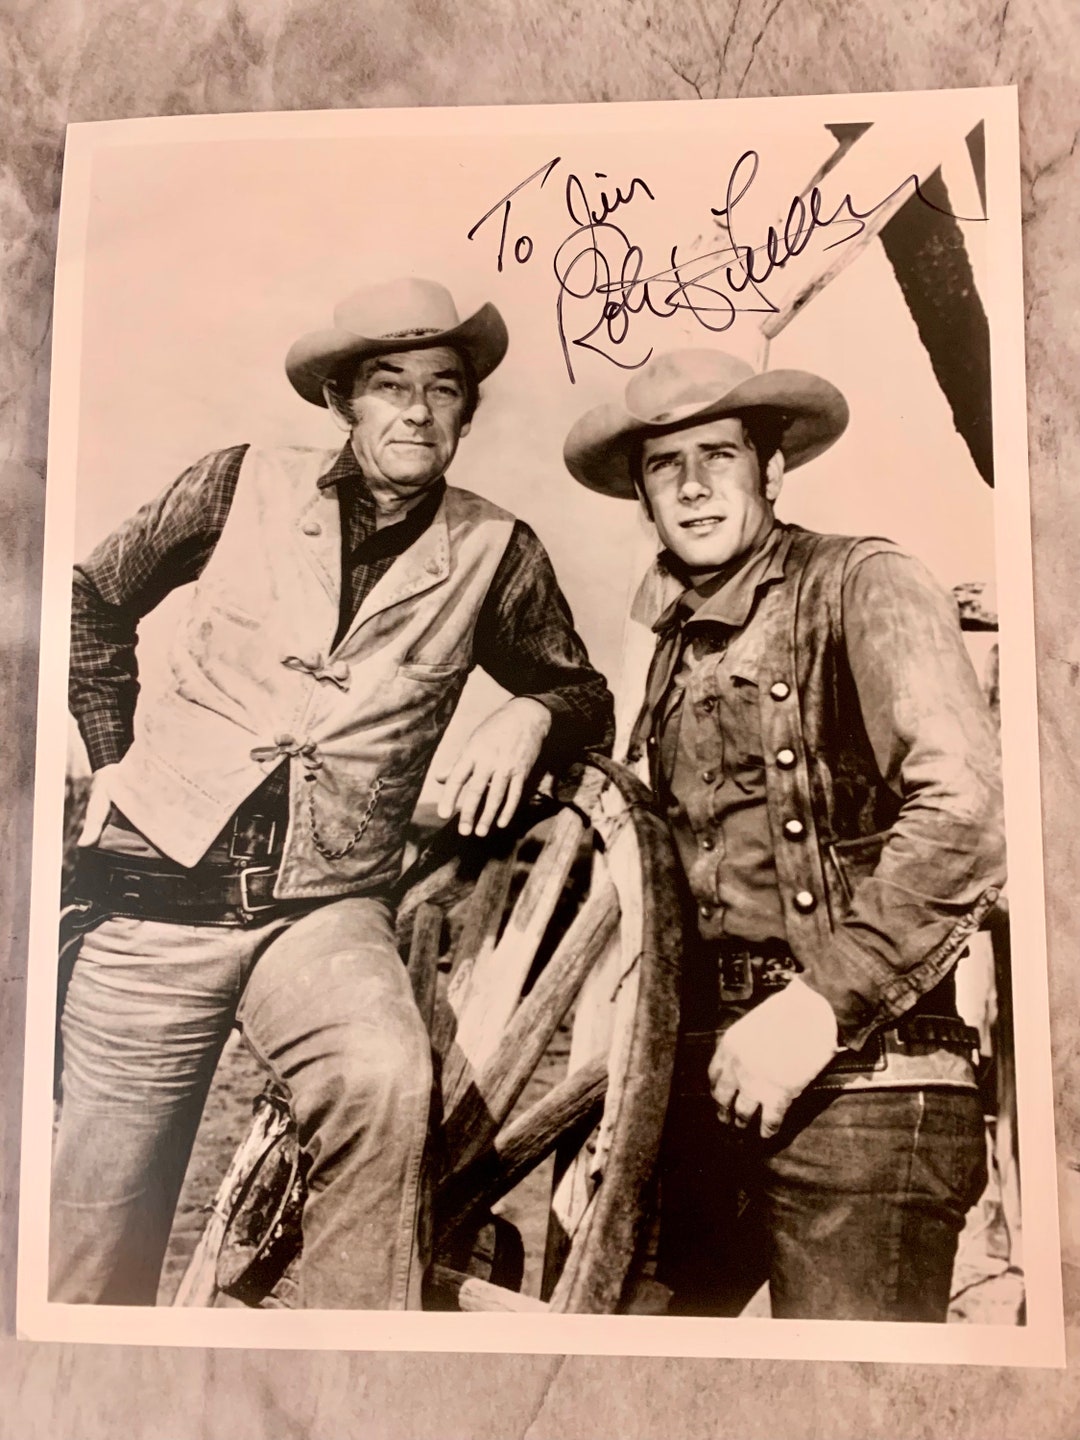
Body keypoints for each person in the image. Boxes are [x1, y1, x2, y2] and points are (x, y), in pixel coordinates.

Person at [54, 276, 614, 1309]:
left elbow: (585, 694)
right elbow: (89, 599)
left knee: (386, 1082)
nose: (417, 410)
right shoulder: (237, 483)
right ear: (343, 400)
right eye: (390, 385)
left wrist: (532, 712)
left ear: (466, 411)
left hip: (323, 911)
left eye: (442, 389)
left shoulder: (497, 550)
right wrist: (114, 754)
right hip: (153, 901)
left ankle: (344, 1359)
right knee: (89, 1246)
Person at [563, 348, 1004, 1321]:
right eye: (665, 465)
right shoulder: (671, 643)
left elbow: (966, 815)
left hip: (866, 1081)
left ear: (771, 467)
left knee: (849, 1393)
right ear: (642, 496)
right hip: (701, 1083)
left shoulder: (863, 581)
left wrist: (821, 1006)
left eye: (718, 455)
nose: (693, 486)